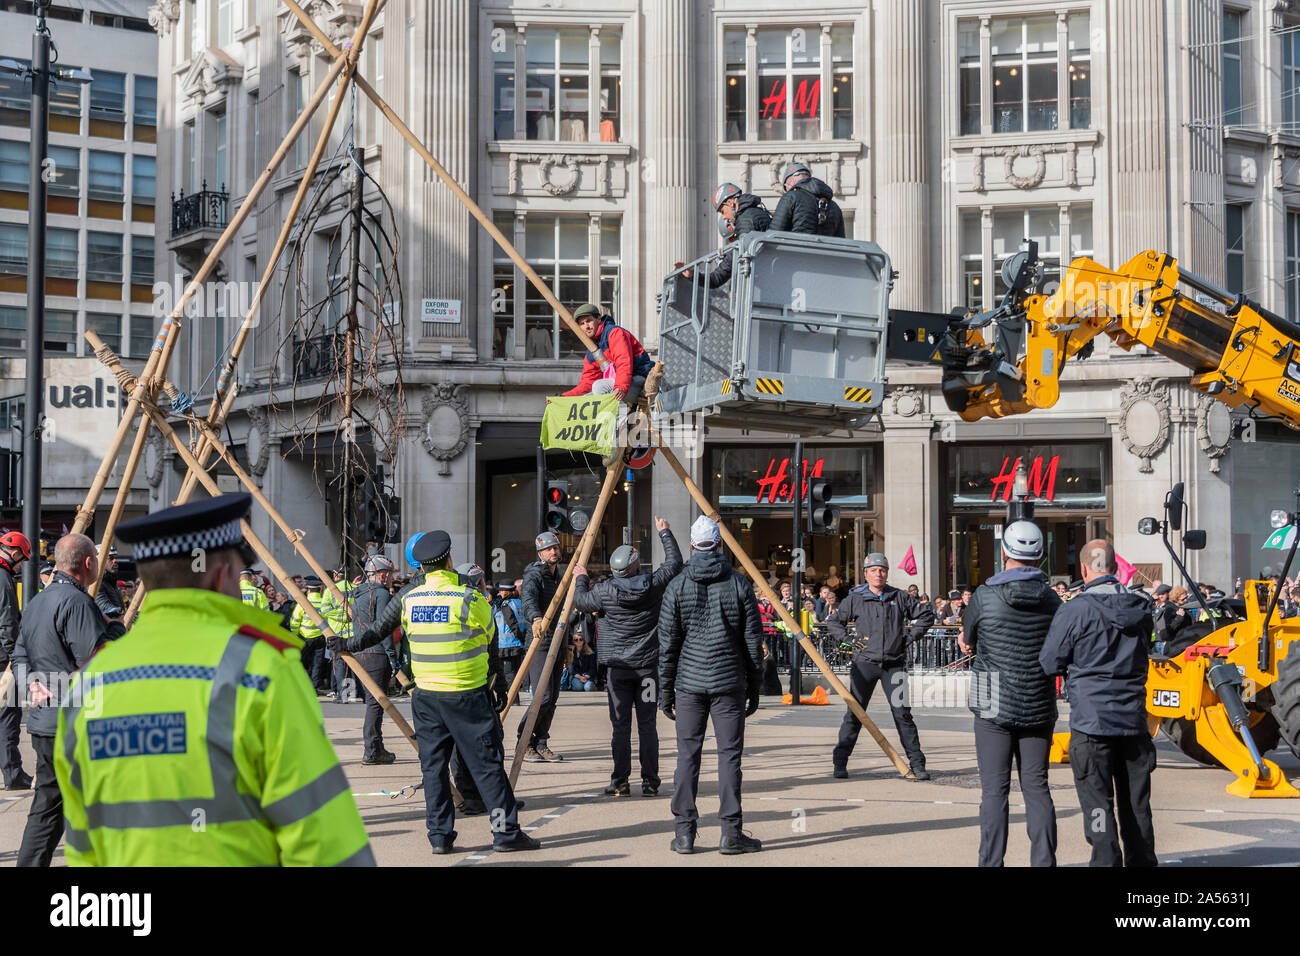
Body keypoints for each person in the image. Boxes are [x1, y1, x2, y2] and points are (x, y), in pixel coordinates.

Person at [52, 495, 373, 866]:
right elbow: (325, 841)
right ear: (221, 575)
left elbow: (82, 846)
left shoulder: (89, 683)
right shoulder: (259, 670)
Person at [334, 530, 539, 854]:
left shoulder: (409, 599)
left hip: (427, 698)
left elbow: (376, 631)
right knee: (487, 767)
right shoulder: (470, 599)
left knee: (433, 770)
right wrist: (498, 685)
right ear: (448, 560)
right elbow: (491, 643)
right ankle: (505, 833)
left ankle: (440, 838)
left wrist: (345, 644)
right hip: (466, 696)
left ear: (422, 567)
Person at [1039, 539, 1157, 868]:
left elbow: (1050, 661)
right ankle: (1142, 862)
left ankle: (1105, 860)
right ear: (1115, 568)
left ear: (1084, 569)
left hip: (1092, 719)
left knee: (1097, 802)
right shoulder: (1140, 606)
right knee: (1136, 803)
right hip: (1133, 718)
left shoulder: (1075, 609)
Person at [659, 515, 763, 855]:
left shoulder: (677, 585)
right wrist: (755, 685)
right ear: (719, 544)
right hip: (728, 681)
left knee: (687, 757)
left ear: (691, 546)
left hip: (689, 682)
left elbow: (668, 644)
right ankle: (730, 832)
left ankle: (684, 833)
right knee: (729, 757)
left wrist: (664, 691)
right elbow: (752, 641)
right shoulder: (738, 583)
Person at [959, 521, 1062, 867]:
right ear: (1039, 556)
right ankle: (1044, 862)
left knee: (994, 791)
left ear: (1004, 552)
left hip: (992, 703)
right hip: (1037, 700)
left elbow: (968, 639)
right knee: (1037, 787)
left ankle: (991, 863)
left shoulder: (985, 596)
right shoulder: (1051, 599)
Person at [12, 533, 109, 866]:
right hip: (75, 725)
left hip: (45, 723)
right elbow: (96, 663)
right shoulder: (77, 602)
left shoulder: (39, 601)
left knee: (46, 809)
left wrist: (31, 685)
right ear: (87, 563)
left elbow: (18, 654)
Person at [572, 517, 683, 797]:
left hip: (618, 669)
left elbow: (581, 602)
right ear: (636, 567)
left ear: (613, 570)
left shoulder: (606, 591)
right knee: (647, 725)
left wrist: (581, 577)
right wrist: (664, 532)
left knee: (620, 726)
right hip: (646, 668)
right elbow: (673, 564)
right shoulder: (652, 584)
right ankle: (650, 781)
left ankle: (620, 781)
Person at [825, 552, 936, 781]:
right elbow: (834, 622)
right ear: (866, 574)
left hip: (893, 664)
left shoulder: (900, 596)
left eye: (882, 570)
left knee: (902, 715)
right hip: (864, 663)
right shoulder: (856, 598)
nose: (878, 574)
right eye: (874, 570)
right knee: (854, 714)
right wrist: (847, 639)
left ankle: (917, 764)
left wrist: (910, 637)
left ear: (887, 573)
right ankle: (840, 763)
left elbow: (926, 615)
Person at [519, 531, 569, 762]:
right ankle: (525, 741)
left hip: (558, 641)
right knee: (542, 695)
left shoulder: (561, 574)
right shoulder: (534, 574)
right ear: (540, 552)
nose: (553, 551)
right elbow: (528, 599)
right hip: (540, 641)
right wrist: (536, 618)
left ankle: (541, 742)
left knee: (554, 696)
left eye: (555, 548)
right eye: (548, 549)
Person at [350, 554, 402, 765]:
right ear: (382, 575)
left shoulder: (358, 594)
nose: (391, 579)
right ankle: (372, 750)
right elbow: (384, 628)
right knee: (375, 703)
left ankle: (376, 746)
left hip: (359, 653)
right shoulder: (382, 595)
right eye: (390, 575)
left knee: (374, 702)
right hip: (376, 653)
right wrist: (392, 656)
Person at [681, 182, 772, 288]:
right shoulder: (754, 212)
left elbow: (718, 277)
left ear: (730, 202)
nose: (724, 217)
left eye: (722, 211)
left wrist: (728, 258)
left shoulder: (745, 220)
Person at [562, 303, 654, 406]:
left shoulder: (615, 333)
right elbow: (587, 383)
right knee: (586, 399)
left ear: (598, 319)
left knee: (599, 387)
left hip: (640, 380)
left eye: (588, 321)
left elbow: (623, 362)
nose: (586, 326)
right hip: (623, 383)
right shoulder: (591, 350)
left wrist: (620, 386)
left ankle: (607, 421)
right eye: (582, 324)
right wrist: (564, 398)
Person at [0, 530, 31, 791]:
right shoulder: (4, 580)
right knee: (9, 716)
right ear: (15, 553)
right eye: (23, 559)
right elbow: (8, 624)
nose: (22, 565)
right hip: (3, 662)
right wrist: (14, 659)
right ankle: (13, 774)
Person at [769, 161, 845, 237]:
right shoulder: (835, 206)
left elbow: (774, 233)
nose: (788, 191)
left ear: (790, 180)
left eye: (786, 187)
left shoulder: (791, 197)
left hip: (794, 248)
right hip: (826, 249)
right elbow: (841, 241)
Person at [322, 568, 357, 702]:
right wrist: (350, 616)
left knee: (339, 664)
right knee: (354, 664)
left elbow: (325, 610)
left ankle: (343, 696)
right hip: (353, 632)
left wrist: (342, 617)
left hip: (336, 633)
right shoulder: (354, 587)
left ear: (336, 576)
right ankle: (354, 694)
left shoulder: (329, 590)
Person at [291, 577, 330, 694]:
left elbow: (294, 621)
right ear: (319, 590)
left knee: (302, 663)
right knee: (317, 664)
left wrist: (295, 634)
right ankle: (313, 688)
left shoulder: (303, 603)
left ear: (308, 590)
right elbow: (327, 620)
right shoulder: (323, 603)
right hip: (319, 638)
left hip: (304, 638)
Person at [492, 582, 527, 696]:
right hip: (517, 644)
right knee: (515, 672)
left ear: (505, 592)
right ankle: (515, 698)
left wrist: (520, 638)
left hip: (507, 645)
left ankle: (514, 699)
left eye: (501, 591)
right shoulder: (519, 603)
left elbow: (512, 624)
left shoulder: (506, 605)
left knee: (509, 674)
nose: (499, 593)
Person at [94, 546, 127, 639]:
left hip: (117, 630)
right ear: (99, 560)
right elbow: (104, 607)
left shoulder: (112, 582)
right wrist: (123, 614)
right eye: (111, 558)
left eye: (116, 558)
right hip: (106, 634)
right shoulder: (96, 582)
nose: (115, 561)